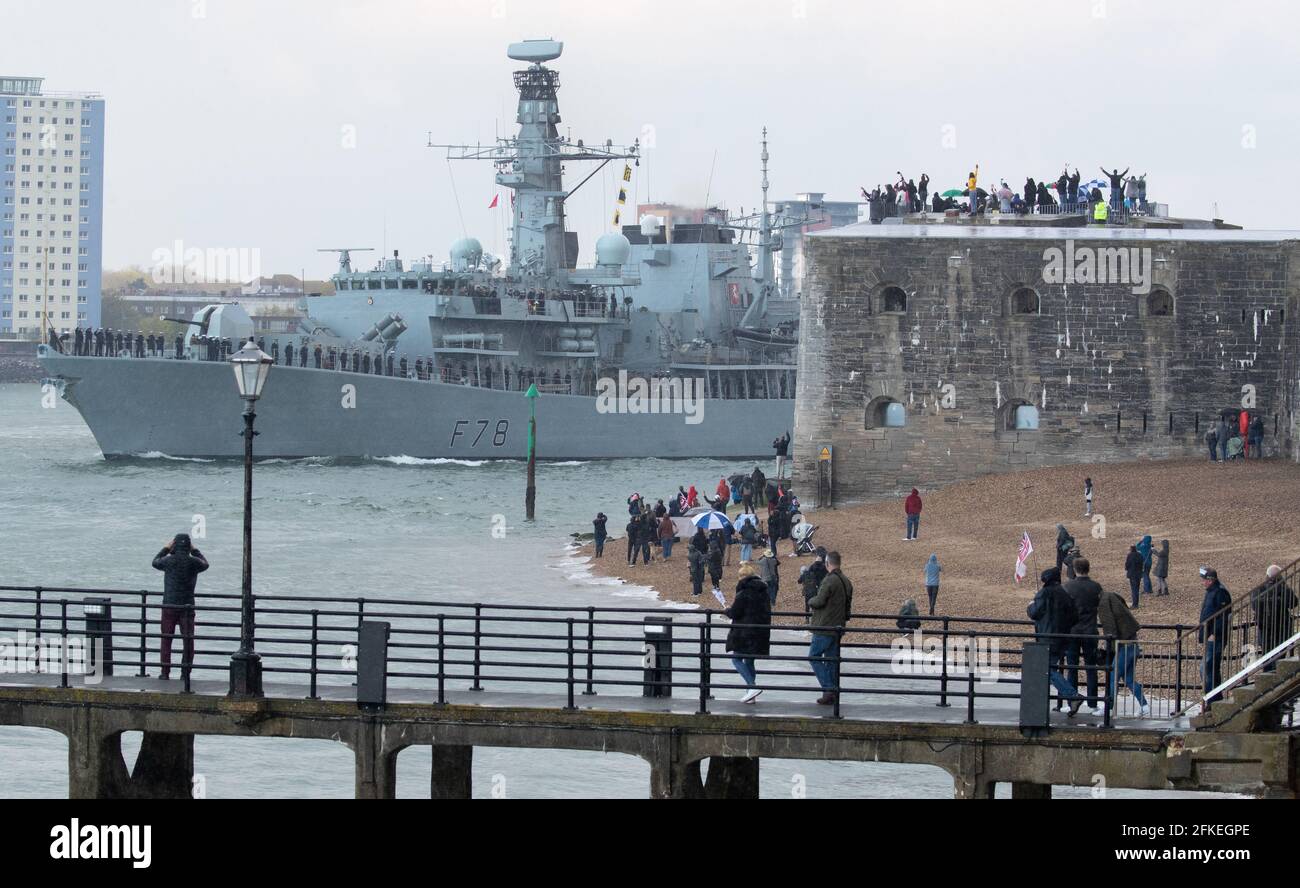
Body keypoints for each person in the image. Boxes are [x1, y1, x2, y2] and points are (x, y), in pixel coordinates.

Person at [151, 533, 209, 680]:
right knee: (188, 640)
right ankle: (185, 674)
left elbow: (155, 562)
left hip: (169, 605)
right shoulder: (194, 562)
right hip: (187, 606)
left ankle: (165, 673)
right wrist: (194, 550)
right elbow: (206, 564)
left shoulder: (168, 561)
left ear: (174, 545)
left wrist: (165, 548)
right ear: (188, 546)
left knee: (166, 640)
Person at [1026, 567, 1084, 716]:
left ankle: (1072, 696)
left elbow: (1034, 613)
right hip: (1063, 638)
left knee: (1046, 669)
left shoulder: (1044, 593)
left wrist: (1031, 604)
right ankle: (1071, 701)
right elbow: (1075, 617)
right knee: (1050, 668)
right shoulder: (1065, 593)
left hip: (1047, 637)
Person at [1097, 585, 1150, 717]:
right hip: (1133, 644)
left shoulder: (1103, 602)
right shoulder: (1112, 596)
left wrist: (1108, 644)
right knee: (1129, 679)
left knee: (1113, 677)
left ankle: (1108, 709)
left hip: (1123, 646)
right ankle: (1144, 706)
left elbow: (1109, 626)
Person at [807, 551, 852, 705]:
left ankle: (829, 688)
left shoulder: (829, 580)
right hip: (838, 627)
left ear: (827, 563)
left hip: (824, 626)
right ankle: (833, 692)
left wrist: (810, 600)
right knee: (832, 660)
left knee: (814, 656)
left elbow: (819, 601)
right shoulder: (846, 581)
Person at [724, 563, 772, 703]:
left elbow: (735, 612)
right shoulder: (763, 590)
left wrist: (727, 610)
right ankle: (751, 694)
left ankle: (752, 687)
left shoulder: (744, 591)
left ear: (742, 577)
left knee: (736, 659)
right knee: (750, 661)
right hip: (759, 632)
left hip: (745, 633)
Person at [1063, 557, 1103, 714]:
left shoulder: (1068, 586)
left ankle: (1072, 699)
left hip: (1072, 631)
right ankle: (1092, 703)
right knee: (1091, 667)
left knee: (1072, 667)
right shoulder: (1096, 587)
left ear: (1074, 569)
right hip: (1090, 631)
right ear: (1088, 568)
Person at [1249, 565, 1297, 670]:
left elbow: (1254, 605)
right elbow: (1293, 602)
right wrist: (1279, 598)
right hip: (1279, 628)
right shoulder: (1282, 588)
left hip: (1267, 628)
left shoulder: (1260, 589)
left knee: (1268, 657)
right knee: (1278, 657)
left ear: (1267, 575)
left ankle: (1269, 677)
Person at [1198, 567, 1231, 706]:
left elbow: (1224, 615)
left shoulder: (1220, 592)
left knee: (1207, 667)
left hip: (1215, 637)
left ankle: (1212, 700)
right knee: (1210, 668)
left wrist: (1215, 633)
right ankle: (1214, 699)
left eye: (1205, 580)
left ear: (1211, 580)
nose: (1203, 582)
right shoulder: (1212, 591)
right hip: (1209, 635)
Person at [799, 547, 829, 613]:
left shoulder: (812, 566)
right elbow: (828, 573)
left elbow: (808, 574)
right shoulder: (824, 566)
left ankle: (810, 615)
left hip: (815, 584)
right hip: (823, 582)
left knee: (811, 601)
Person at [688, 529, 708, 597]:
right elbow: (706, 545)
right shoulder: (704, 536)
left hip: (695, 567)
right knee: (701, 571)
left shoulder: (695, 537)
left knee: (695, 580)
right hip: (702, 554)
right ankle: (700, 590)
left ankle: (696, 592)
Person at [1135, 534, 1154, 604]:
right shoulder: (1150, 546)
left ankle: (1146, 590)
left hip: (1144, 563)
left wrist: (1140, 541)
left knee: (1145, 576)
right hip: (1149, 562)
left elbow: (1137, 547)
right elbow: (1152, 552)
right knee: (1147, 575)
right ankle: (1150, 589)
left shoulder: (1143, 546)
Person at [1124, 545, 1143, 609]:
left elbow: (1127, 565)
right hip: (1139, 574)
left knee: (1134, 589)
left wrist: (1127, 569)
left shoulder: (1130, 555)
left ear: (1131, 549)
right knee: (1137, 588)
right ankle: (1136, 603)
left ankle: (1135, 604)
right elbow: (1142, 563)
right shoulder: (1140, 555)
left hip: (1132, 574)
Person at [707, 531, 724, 596]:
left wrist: (708, 555)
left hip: (713, 567)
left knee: (714, 578)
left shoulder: (713, 553)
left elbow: (709, 558)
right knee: (716, 577)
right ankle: (717, 587)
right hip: (718, 566)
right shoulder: (718, 551)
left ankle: (715, 586)